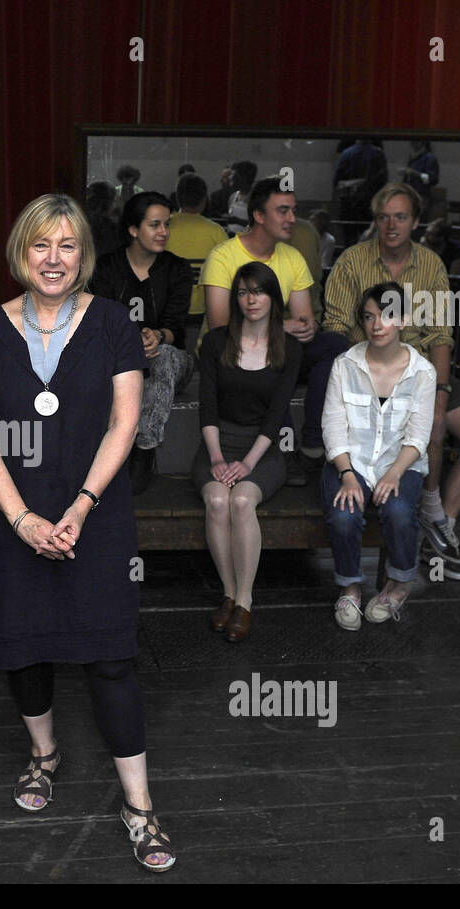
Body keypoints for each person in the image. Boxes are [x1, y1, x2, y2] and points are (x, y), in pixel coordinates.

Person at [0, 193, 175, 872]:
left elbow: (125, 424)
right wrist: (22, 518)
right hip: (8, 519)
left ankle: (139, 806)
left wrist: (79, 507)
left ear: (84, 255)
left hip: (96, 518)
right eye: (40, 246)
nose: (54, 260)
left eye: (68, 246)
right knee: (24, 649)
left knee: (111, 657)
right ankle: (43, 755)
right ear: (21, 253)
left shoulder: (113, 322)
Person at [323, 182, 460, 578]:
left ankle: (438, 520)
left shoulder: (431, 264)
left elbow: (439, 335)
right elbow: (334, 329)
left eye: (400, 217)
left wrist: (440, 393)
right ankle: (428, 520)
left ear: (416, 221)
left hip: (422, 368)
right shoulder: (352, 261)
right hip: (371, 367)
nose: (391, 225)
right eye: (383, 217)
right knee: (425, 435)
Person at [196, 176, 347, 487]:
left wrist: (301, 327)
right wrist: (282, 326)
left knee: (334, 346)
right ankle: (286, 453)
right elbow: (221, 327)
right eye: (283, 211)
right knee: (276, 369)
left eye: (293, 210)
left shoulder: (291, 257)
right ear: (259, 216)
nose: (292, 219)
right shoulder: (224, 256)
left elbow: (304, 321)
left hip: (278, 346)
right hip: (231, 354)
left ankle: (312, 442)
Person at [194, 263, 302, 642]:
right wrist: (219, 459)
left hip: (263, 450)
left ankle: (245, 600)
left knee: (241, 499)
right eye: (242, 292)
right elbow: (207, 407)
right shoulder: (215, 342)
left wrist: (247, 464)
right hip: (217, 444)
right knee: (218, 502)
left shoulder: (289, 348)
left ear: (274, 297)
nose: (250, 299)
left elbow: (275, 419)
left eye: (258, 291)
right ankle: (227, 592)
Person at [322, 282, 436, 629]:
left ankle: (399, 583)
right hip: (350, 462)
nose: (377, 325)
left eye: (386, 316)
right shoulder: (345, 365)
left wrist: (395, 473)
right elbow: (333, 426)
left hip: (400, 463)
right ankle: (350, 588)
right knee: (344, 514)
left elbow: (418, 436)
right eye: (369, 317)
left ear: (402, 319)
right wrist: (347, 473)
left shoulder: (423, 372)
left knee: (399, 511)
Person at [90, 191, 196, 494]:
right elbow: (98, 322)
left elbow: (177, 325)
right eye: (154, 225)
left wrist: (157, 336)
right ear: (133, 229)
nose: (163, 232)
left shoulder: (177, 268)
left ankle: (143, 449)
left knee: (160, 356)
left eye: (167, 225)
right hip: (118, 360)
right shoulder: (107, 267)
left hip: (170, 358)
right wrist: (129, 341)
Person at [166, 172, 228, 336]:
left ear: (177, 197)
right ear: (204, 200)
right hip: (204, 307)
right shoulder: (216, 232)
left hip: (169, 307)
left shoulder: (164, 227)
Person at [399, 139, 440, 212]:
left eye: (415, 142)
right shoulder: (414, 157)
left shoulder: (429, 158)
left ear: (422, 143)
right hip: (410, 195)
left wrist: (414, 173)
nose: (413, 145)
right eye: (412, 142)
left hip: (421, 196)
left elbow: (431, 179)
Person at [84, 180, 122, 258]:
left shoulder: (78, 223)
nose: (116, 205)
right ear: (108, 203)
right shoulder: (113, 230)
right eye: (114, 201)